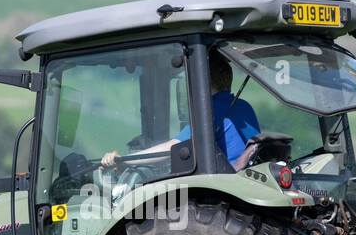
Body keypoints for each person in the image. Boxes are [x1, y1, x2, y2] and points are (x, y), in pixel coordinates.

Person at [100, 51, 261, 170]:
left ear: (201, 81)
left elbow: (171, 148)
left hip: (225, 184)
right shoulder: (244, 107)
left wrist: (123, 160)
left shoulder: (210, 110)